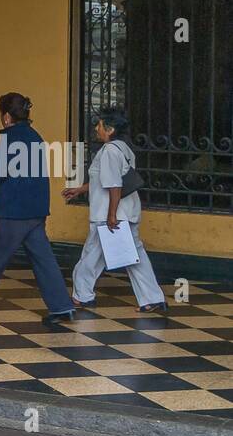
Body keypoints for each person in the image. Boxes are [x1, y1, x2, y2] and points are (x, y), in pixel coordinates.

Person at [0, 92, 76, 325]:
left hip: (13, 212)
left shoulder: (9, 139)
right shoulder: (35, 137)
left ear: (7, 116)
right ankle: (61, 307)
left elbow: (0, 170)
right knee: (44, 259)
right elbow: (21, 172)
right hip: (36, 210)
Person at [63, 107, 167, 313]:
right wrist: (79, 190)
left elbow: (114, 185)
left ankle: (83, 296)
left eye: (99, 125)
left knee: (91, 257)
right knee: (134, 257)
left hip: (109, 216)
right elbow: (105, 180)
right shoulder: (123, 148)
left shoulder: (109, 151)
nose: (96, 129)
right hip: (127, 212)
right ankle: (153, 298)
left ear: (109, 129)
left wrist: (111, 216)